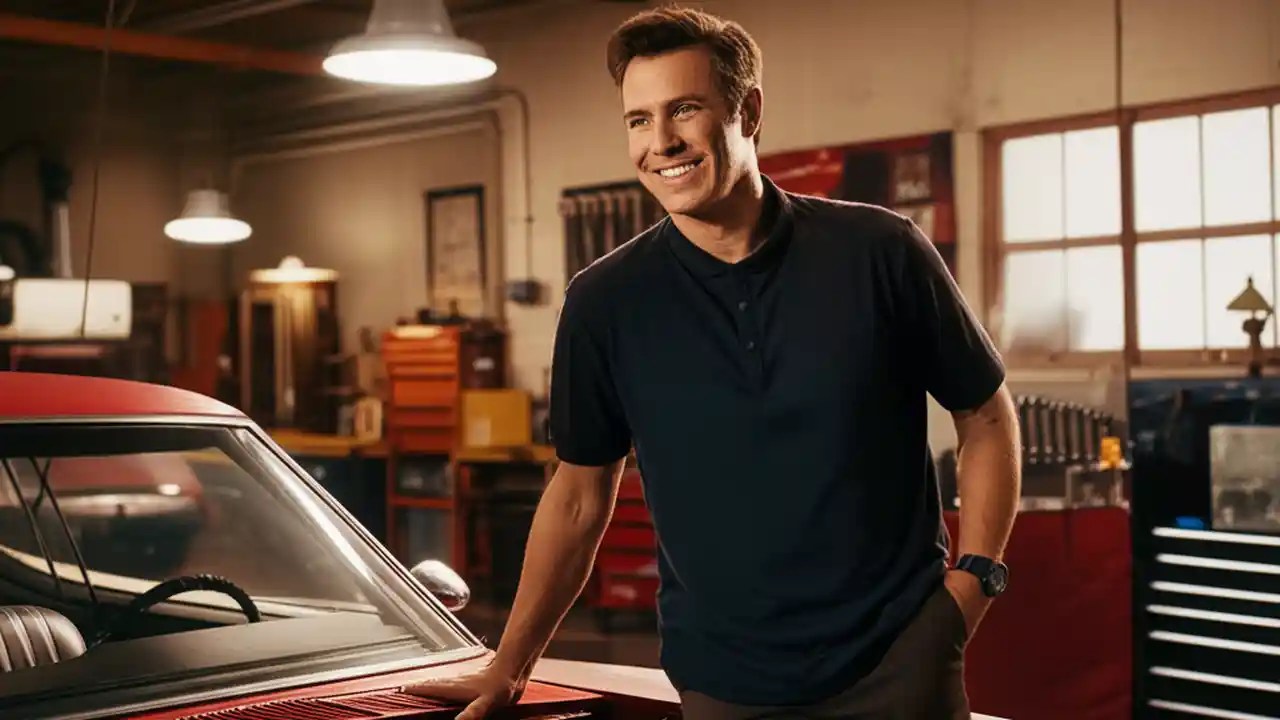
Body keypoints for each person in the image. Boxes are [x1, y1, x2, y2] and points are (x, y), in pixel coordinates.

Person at [404, 6, 1021, 718]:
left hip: (899, 665)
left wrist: (974, 580)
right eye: (639, 120)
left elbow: (985, 414)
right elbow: (577, 495)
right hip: (723, 684)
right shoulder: (606, 301)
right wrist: (508, 668)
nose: (660, 142)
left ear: (748, 112)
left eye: (684, 109)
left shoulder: (879, 251)